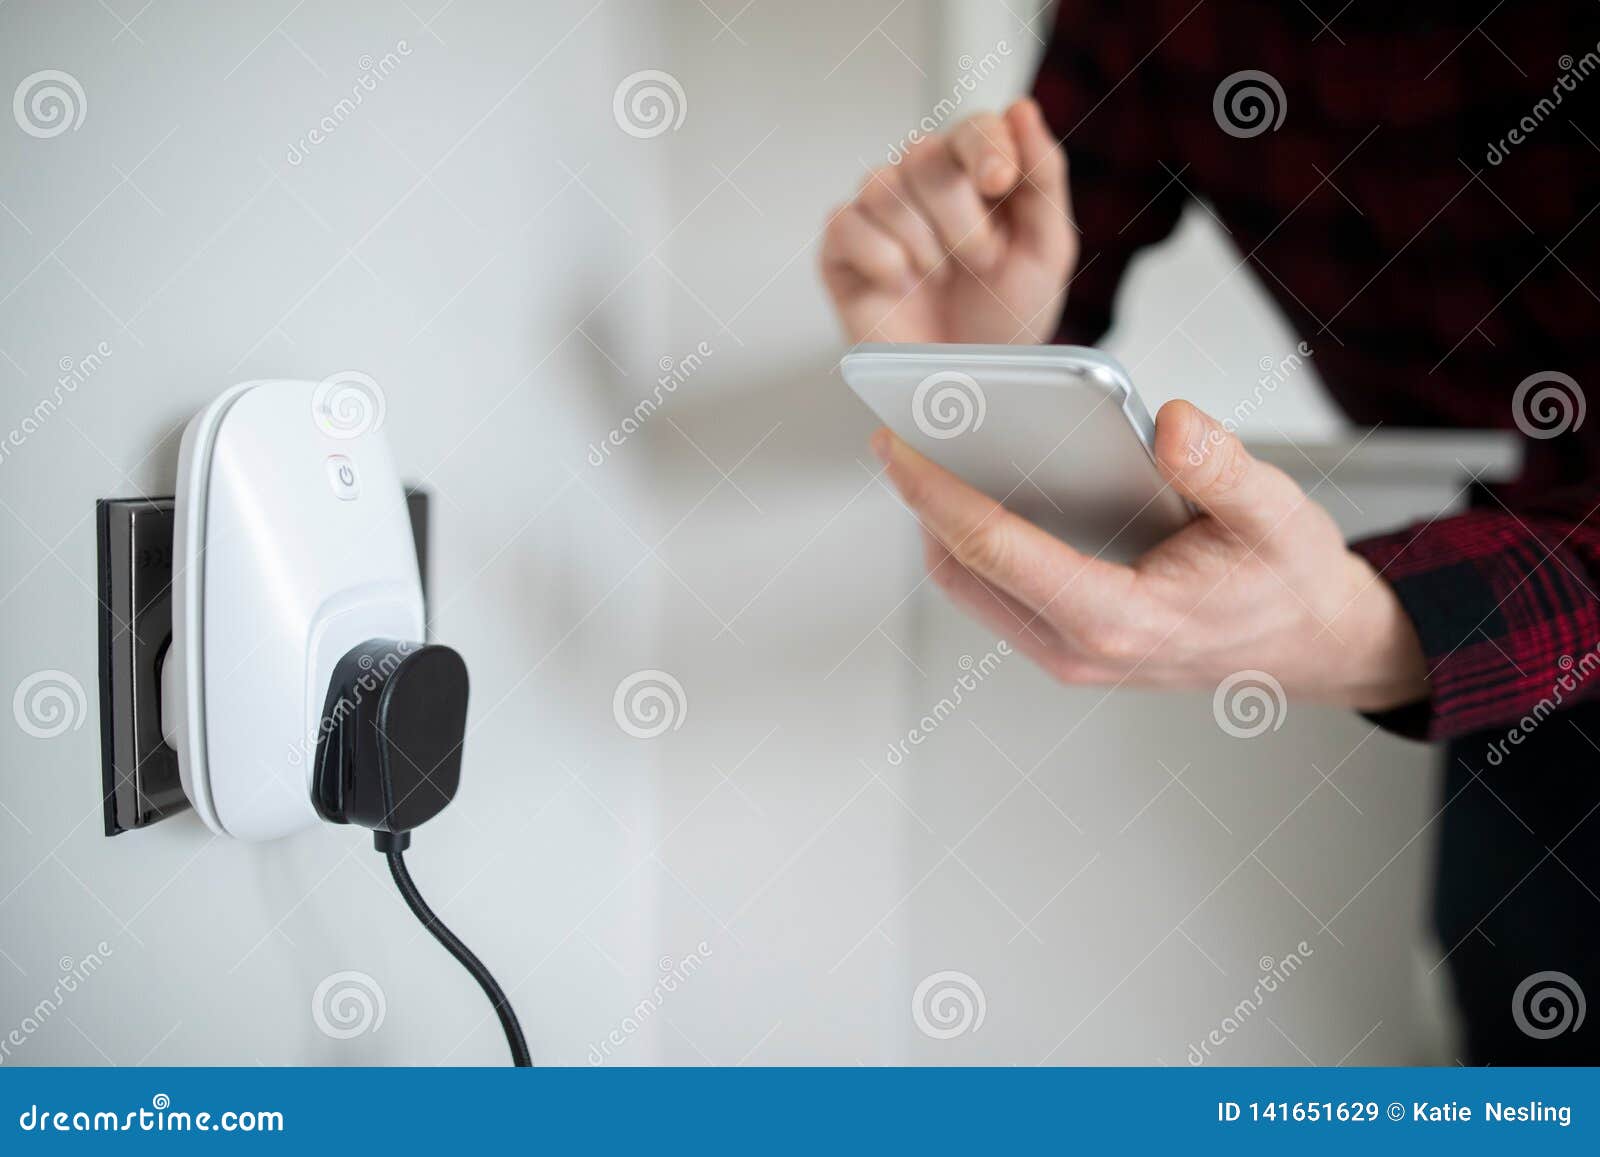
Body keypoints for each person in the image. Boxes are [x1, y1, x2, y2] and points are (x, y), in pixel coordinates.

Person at [819, 3, 1600, 1065]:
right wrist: (976, 347)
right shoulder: (1152, 20)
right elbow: (1038, 261)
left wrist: (1366, 626)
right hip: (1528, 729)